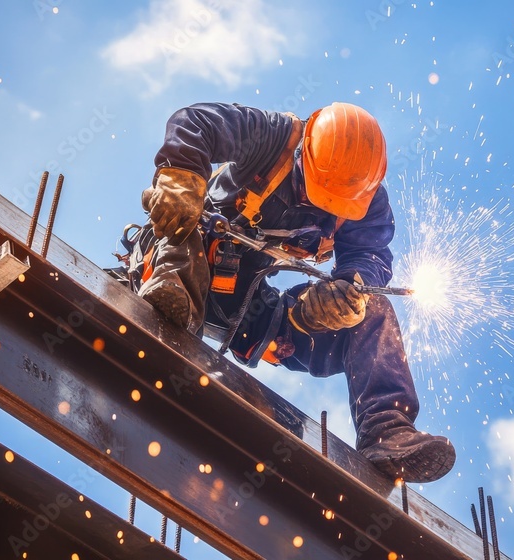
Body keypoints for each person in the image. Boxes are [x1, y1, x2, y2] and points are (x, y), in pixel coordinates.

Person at [135, 102, 455, 483]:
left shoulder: (364, 200)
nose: (319, 206)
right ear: (305, 153)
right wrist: (181, 177)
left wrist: (343, 296)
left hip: (248, 309)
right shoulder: (270, 137)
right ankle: (171, 310)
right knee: (185, 232)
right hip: (187, 256)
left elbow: (369, 256)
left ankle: (386, 430)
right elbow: (196, 122)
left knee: (374, 310)